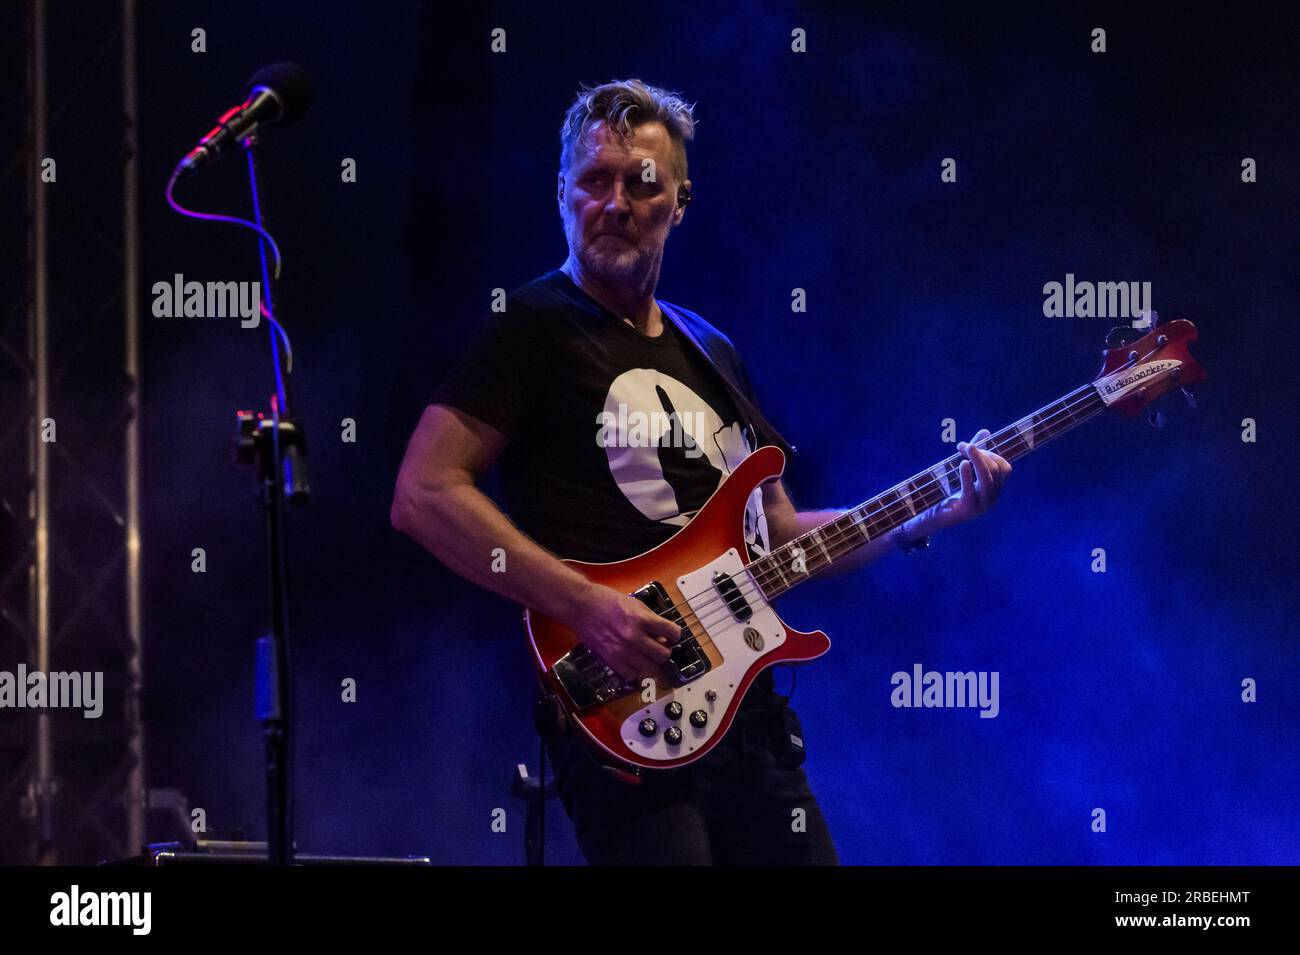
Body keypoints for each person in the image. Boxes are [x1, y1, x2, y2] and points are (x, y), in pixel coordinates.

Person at [391, 78, 1012, 865]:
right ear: (560, 192)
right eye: (594, 180)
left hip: (748, 722)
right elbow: (423, 491)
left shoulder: (711, 350)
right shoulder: (531, 325)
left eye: (642, 183)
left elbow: (780, 536)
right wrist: (588, 608)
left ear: (680, 202)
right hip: (627, 712)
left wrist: (924, 516)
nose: (615, 202)